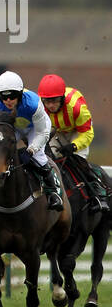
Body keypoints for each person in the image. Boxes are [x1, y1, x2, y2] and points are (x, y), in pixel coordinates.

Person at [0, 71, 62, 209]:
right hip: (12, 127)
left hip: (34, 128)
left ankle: (52, 193)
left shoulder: (33, 104)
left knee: (39, 156)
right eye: (4, 98)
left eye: (12, 96)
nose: (8, 101)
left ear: (20, 94)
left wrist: (30, 150)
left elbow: (42, 133)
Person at [37, 74, 109, 214]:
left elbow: (87, 133)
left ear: (62, 98)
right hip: (57, 130)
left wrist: (74, 146)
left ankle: (99, 195)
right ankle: (51, 193)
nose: (51, 105)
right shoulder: (39, 107)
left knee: (78, 161)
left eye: (55, 101)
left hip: (78, 130)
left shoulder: (77, 108)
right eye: (47, 101)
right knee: (49, 160)